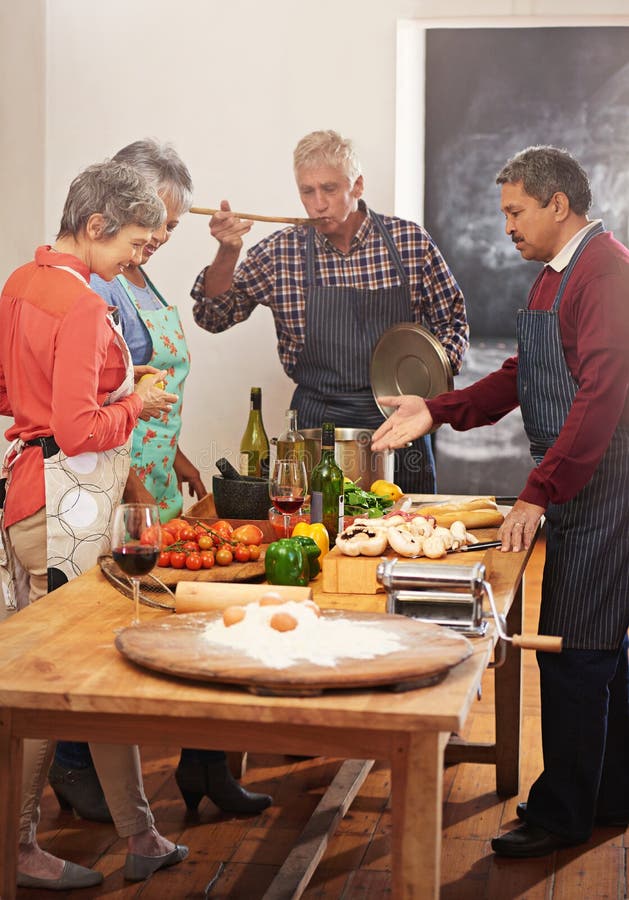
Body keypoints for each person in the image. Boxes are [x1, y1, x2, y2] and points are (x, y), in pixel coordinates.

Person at [371, 146, 629, 859]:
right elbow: (523, 374)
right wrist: (436, 408)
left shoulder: (604, 273)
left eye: (515, 211)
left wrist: (537, 491)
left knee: (578, 654)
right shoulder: (555, 277)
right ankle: (608, 797)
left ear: (557, 205)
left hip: (605, 485)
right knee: (599, 651)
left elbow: (602, 399)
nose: (506, 226)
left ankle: (560, 816)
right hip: (580, 481)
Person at [50, 139, 272, 823]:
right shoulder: (100, 280)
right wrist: (134, 490)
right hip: (115, 480)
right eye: (155, 224)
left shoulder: (138, 275)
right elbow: (97, 396)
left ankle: (205, 765)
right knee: (99, 625)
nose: (161, 238)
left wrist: (172, 453)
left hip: (153, 466)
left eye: (169, 226)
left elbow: (151, 381)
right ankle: (74, 764)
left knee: (187, 621)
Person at [0, 159, 189, 889]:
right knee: (48, 685)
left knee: (100, 665)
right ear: (94, 226)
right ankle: (17, 848)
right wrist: (136, 405)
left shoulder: (21, 281)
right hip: (68, 503)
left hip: (29, 496)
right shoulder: (82, 304)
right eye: (136, 244)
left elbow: (14, 391)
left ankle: (140, 834)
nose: (140, 258)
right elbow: (80, 432)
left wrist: (107, 390)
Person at [190, 129, 469, 492]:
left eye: (330, 189)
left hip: (399, 421)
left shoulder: (410, 242)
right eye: (308, 191)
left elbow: (453, 321)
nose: (318, 203)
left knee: (409, 532)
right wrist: (228, 252)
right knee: (317, 532)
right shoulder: (280, 253)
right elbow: (213, 317)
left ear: (358, 186)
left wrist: (428, 388)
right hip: (317, 429)